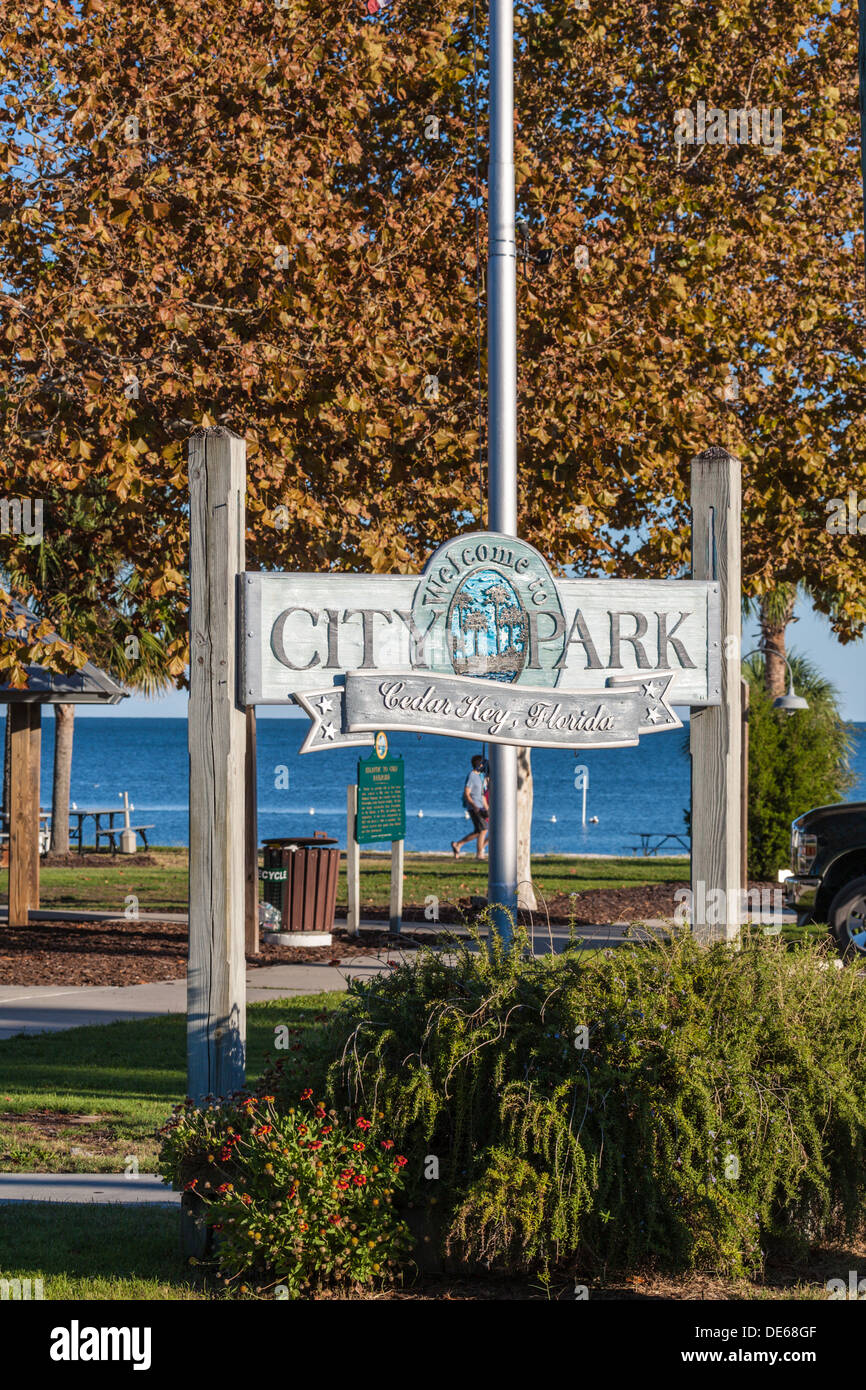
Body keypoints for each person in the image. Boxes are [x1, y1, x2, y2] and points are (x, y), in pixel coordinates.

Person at [451, 754, 488, 859]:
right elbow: (466, 793)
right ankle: (479, 853)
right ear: (478, 764)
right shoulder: (471, 776)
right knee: (483, 829)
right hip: (474, 807)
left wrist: (487, 808)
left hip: (481, 806)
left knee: (479, 830)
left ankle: (458, 844)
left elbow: (482, 795)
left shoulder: (481, 776)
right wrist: (474, 806)